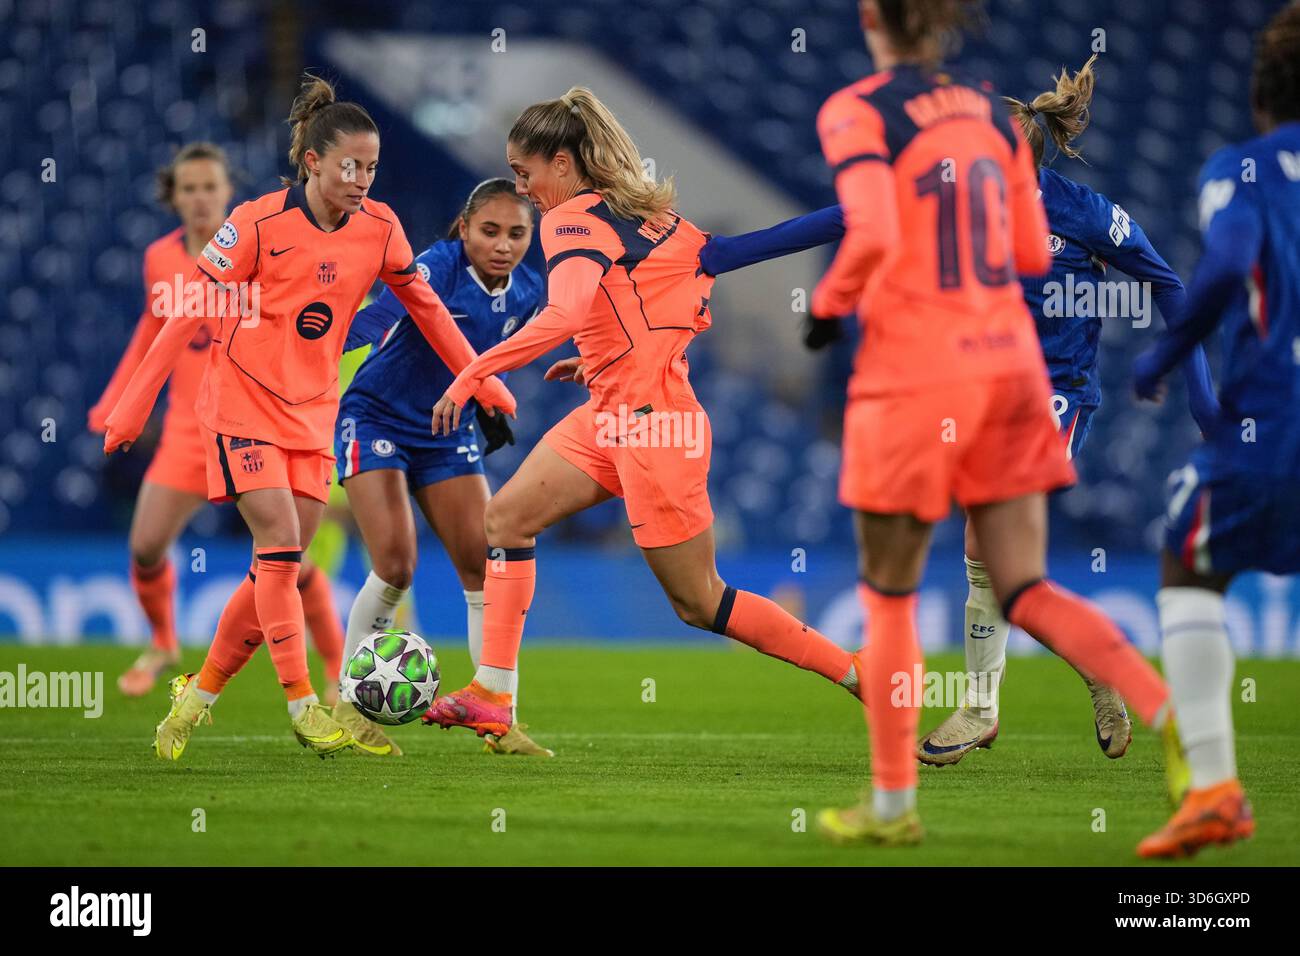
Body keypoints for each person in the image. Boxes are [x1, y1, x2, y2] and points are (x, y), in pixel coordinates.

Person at [809, 0, 1176, 847]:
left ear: (872, 18)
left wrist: (828, 309)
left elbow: (866, 236)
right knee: (1009, 575)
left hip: (938, 372)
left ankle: (900, 796)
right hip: (1006, 369)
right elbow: (1019, 251)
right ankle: (1171, 725)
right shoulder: (982, 114)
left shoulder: (860, 111)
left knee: (895, 586)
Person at [422, 86, 864, 743]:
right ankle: (493, 694)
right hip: (614, 413)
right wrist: (868, 211)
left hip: (655, 429)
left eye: (525, 173)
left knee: (700, 600)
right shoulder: (659, 222)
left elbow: (565, 313)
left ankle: (860, 672)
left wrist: (474, 370)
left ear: (564, 166)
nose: (523, 188)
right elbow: (756, 247)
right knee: (507, 518)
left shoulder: (569, 221)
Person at [103, 73, 515, 760]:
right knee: (281, 543)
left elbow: (428, 310)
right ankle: (302, 706)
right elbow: (188, 314)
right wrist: (134, 401)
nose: (362, 179)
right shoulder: (256, 223)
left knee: (282, 568)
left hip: (311, 411)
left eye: (373, 167)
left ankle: (197, 694)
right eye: (351, 165)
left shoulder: (379, 227)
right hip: (240, 400)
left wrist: (484, 379)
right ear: (314, 160)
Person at [915, 55, 1220, 766]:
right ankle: (1093, 670)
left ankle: (981, 708)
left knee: (983, 549)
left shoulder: (1082, 214)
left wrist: (1203, 401)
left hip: (1054, 396)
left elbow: (1170, 286)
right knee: (998, 566)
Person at [1131, 0, 1300, 859]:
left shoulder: (1244, 168)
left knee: (1189, 561)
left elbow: (1231, 261)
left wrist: (1163, 357)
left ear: (1261, 96)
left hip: (1278, 416)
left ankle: (1217, 790)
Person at [89, 142, 345, 701]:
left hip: (253, 419)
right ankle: (162, 643)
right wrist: (119, 399)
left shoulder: (262, 242)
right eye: (190, 189)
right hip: (187, 428)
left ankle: (332, 669)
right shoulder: (159, 259)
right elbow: (154, 329)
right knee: (146, 545)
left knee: (287, 560)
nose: (202, 199)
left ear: (229, 191)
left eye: (211, 187)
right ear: (173, 197)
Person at [332, 177, 549, 756]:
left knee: (487, 568)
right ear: (463, 228)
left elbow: (492, 354)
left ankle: (498, 715)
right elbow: (389, 315)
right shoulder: (439, 266)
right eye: (489, 231)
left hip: (446, 431)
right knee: (397, 564)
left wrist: (483, 397)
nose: (503, 244)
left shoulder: (528, 292)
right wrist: (324, 344)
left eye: (516, 233)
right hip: (376, 415)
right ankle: (349, 706)